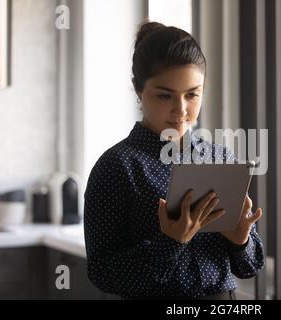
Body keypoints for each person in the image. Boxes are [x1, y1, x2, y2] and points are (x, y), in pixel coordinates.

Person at [83, 21, 265, 300]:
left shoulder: (221, 159)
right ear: (138, 89)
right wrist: (170, 242)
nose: (181, 110)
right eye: (165, 95)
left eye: (192, 94)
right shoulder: (116, 167)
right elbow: (102, 273)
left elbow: (250, 267)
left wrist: (241, 239)